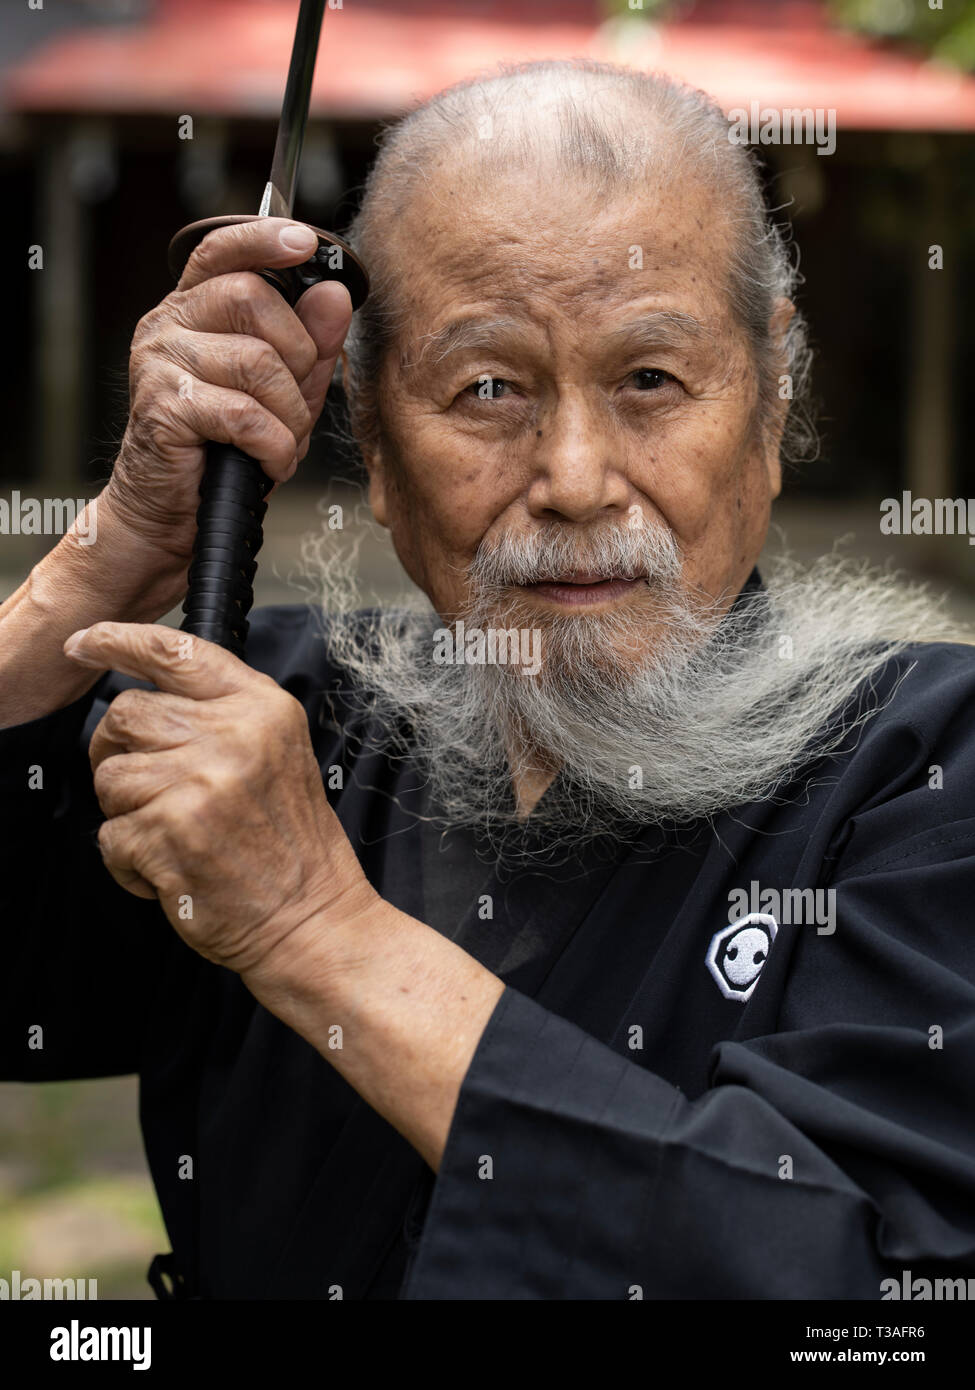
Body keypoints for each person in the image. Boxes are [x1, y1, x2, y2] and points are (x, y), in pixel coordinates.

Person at [2, 60, 974, 1300]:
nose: (575, 478)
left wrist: (313, 925)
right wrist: (112, 555)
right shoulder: (266, 724)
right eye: (490, 388)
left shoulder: (927, 772)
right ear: (378, 444)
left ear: (771, 403)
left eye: (650, 381)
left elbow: (862, 1287)